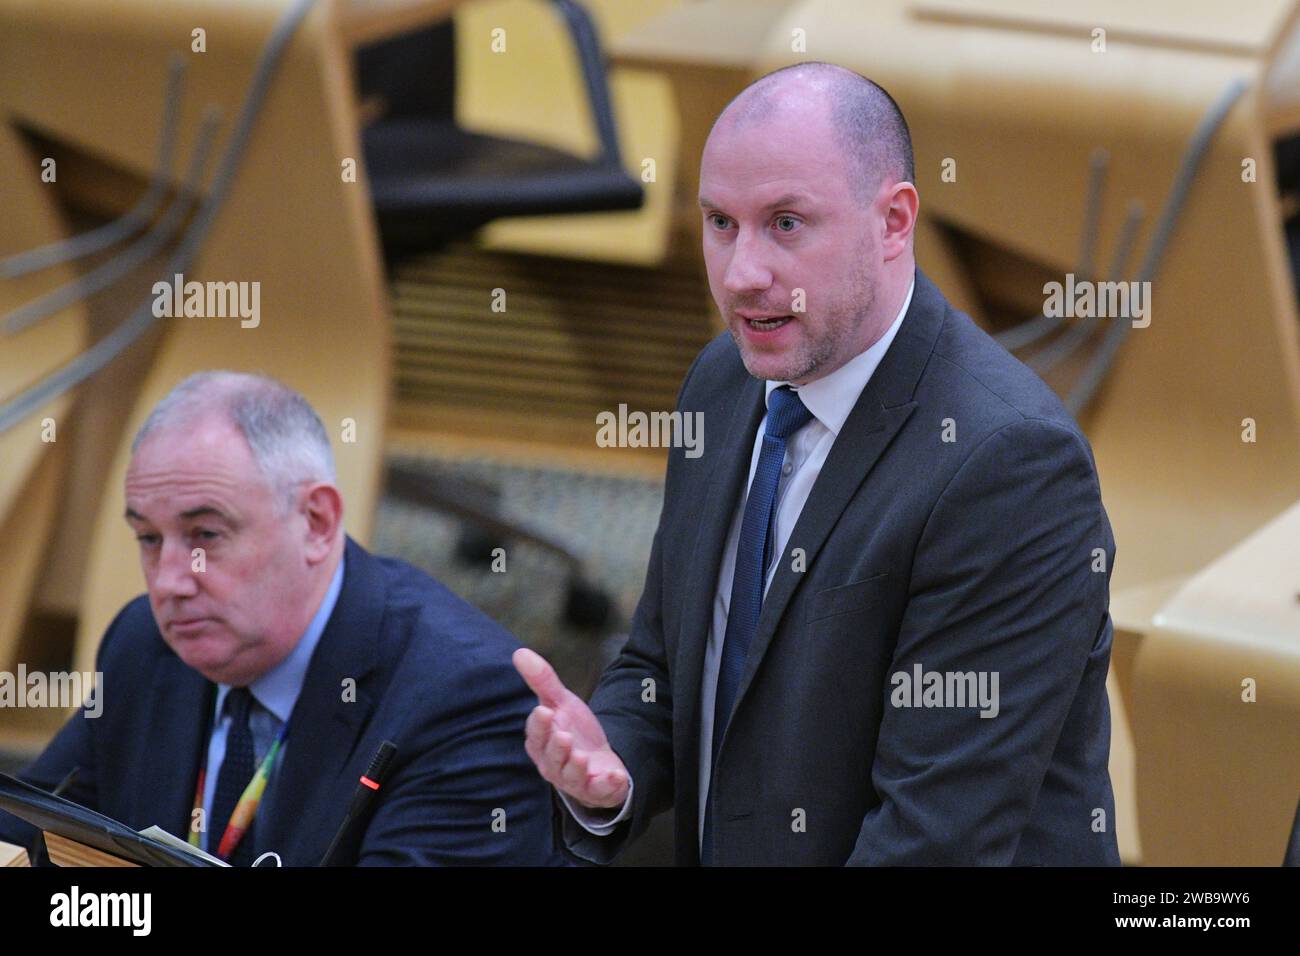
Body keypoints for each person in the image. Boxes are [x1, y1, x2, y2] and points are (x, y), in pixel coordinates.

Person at [514, 62, 1122, 865]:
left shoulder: (1008, 468)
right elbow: (663, 660)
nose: (742, 275)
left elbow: (934, 839)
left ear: (894, 221)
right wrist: (614, 762)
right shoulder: (724, 383)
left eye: (787, 224)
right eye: (720, 223)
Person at [0, 371, 562, 866]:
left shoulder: (464, 697)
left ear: (316, 522)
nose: (169, 580)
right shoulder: (145, 644)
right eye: (149, 538)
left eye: (206, 535)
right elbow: (28, 834)